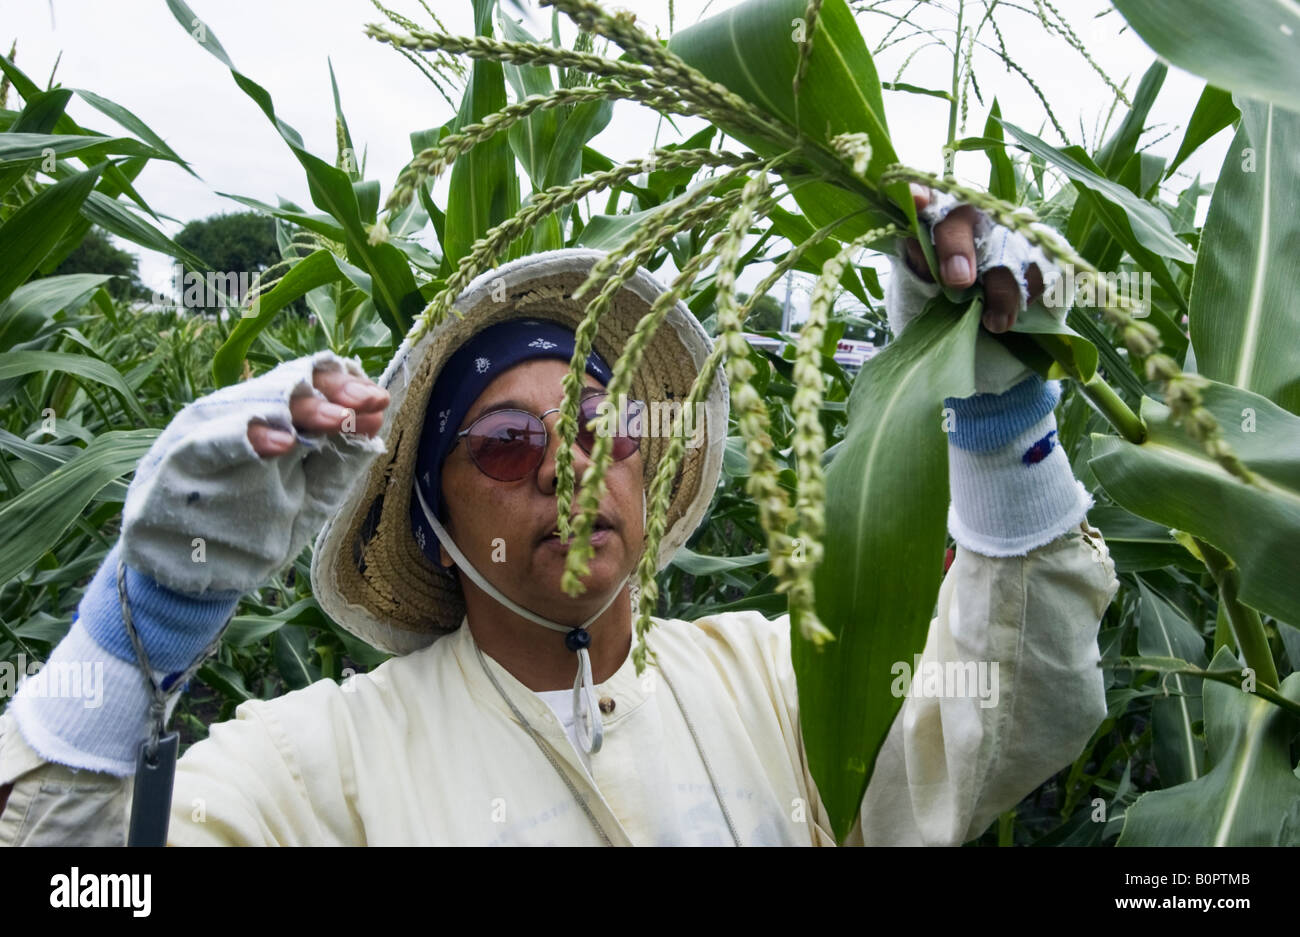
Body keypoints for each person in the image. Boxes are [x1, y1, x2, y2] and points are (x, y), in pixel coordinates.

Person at [0, 188, 1117, 846]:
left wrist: (994, 404)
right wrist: (145, 617)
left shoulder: (783, 682)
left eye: (605, 420)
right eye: (506, 442)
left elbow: (1008, 718)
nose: (568, 464)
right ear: (431, 517)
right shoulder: (319, 765)